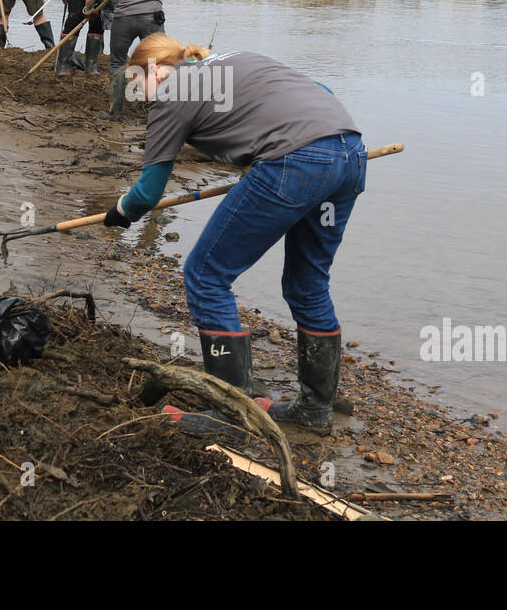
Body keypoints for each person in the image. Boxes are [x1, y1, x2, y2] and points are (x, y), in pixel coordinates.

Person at [100, 36, 367, 435]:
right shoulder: (233, 58)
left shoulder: (170, 93)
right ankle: (315, 409)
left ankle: (231, 415)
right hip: (349, 152)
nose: (139, 95)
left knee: (206, 276)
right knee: (307, 285)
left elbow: (147, 193)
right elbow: (319, 92)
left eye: (138, 82)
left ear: (155, 69)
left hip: (294, 163)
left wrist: (120, 212)